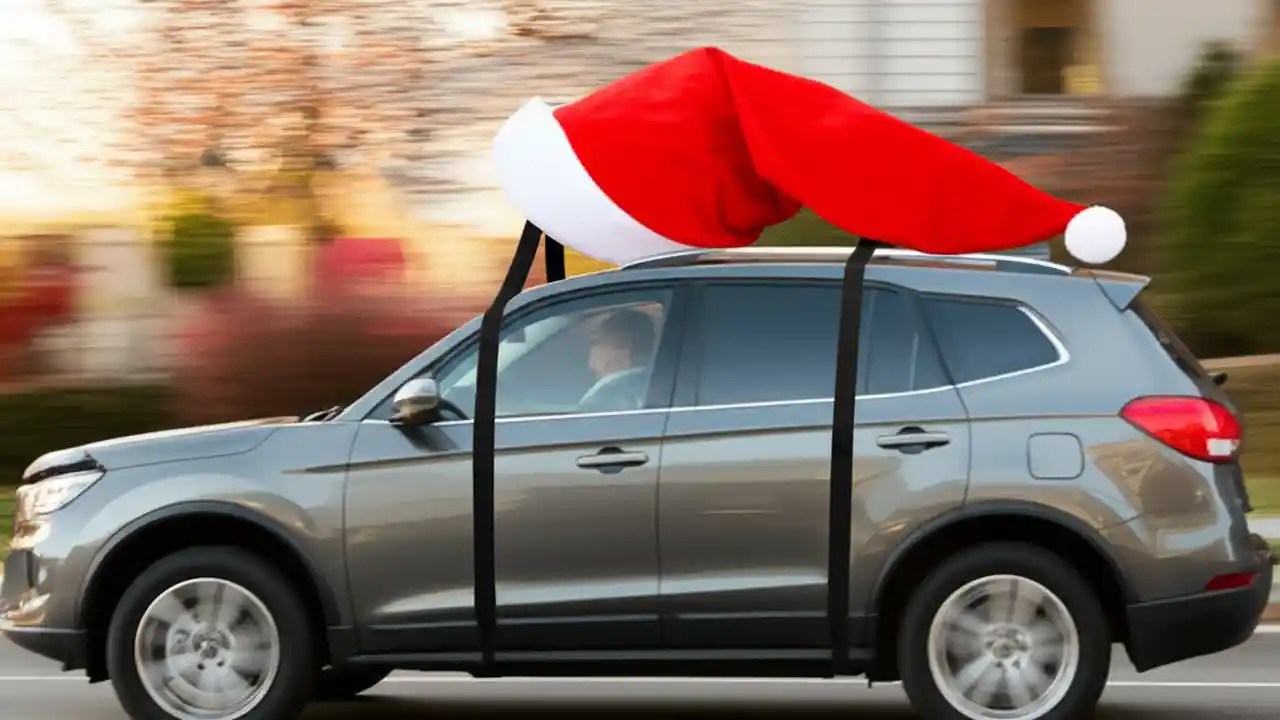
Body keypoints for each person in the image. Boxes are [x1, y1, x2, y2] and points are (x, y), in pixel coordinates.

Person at [578, 307, 656, 412]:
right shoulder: (660, 387)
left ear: (619, 358)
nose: (591, 351)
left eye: (595, 343)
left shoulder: (599, 402)